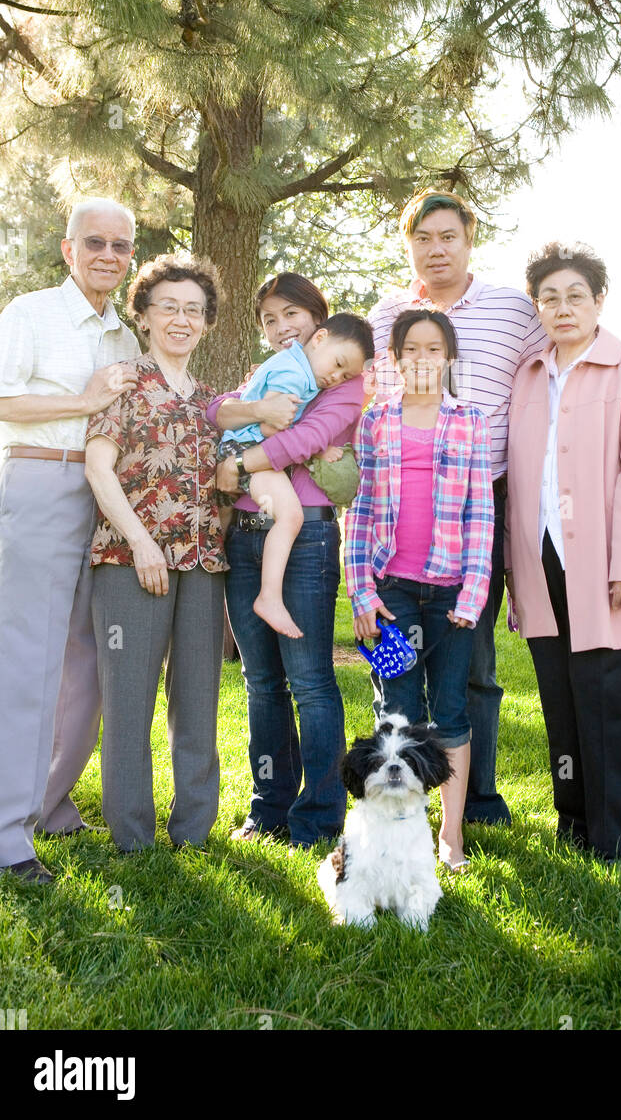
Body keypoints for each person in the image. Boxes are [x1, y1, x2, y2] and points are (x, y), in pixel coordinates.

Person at [368, 187, 547, 826]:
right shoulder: (388, 314)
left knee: (471, 663)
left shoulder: (510, 308)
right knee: (399, 675)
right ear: (408, 244)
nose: (435, 249)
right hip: (400, 514)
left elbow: (557, 358)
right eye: (422, 238)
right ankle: (404, 797)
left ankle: (477, 800)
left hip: (480, 502)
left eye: (447, 235)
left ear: (469, 237)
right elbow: (358, 396)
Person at [506, 243, 621, 859]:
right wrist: (514, 571)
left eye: (575, 295)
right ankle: (571, 824)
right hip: (539, 559)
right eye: (549, 298)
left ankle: (610, 841)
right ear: (537, 307)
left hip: (607, 563)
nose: (563, 308)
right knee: (560, 705)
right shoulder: (526, 375)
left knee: (604, 704)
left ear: (599, 301)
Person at [0, 199, 139, 885]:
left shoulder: (127, 338)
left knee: (90, 661)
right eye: (95, 242)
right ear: (67, 249)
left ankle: (48, 803)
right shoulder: (31, 314)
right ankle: (0, 838)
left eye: (122, 245)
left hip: (107, 500)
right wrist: (83, 401)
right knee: (27, 663)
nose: (109, 254)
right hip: (44, 486)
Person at [210, 274, 364, 849]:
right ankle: (269, 808)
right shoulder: (273, 372)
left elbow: (305, 440)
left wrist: (239, 464)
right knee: (261, 683)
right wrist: (250, 409)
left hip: (306, 544)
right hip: (247, 538)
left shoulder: (343, 380)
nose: (281, 327)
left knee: (311, 681)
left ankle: (319, 816)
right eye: (270, 319)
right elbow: (213, 410)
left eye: (291, 315)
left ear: (318, 322)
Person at [84, 253, 228, 853]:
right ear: (143, 315)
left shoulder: (214, 401)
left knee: (197, 703)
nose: (181, 319)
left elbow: (224, 483)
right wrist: (141, 541)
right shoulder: (125, 380)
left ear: (206, 323)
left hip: (203, 569)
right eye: (167, 306)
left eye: (193, 310)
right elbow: (99, 465)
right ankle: (133, 839)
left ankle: (193, 832)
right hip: (129, 562)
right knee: (129, 702)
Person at [345, 309, 494, 871]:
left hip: (453, 591)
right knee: (398, 710)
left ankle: (450, 835)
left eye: (435, 349)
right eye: (412, 349)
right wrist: (362, 591)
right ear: (396, 358)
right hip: (392, 591)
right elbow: (358, 513)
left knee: (452, 710)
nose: (423, 359)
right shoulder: (376, 421)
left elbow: (481, 512)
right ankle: (395, 830)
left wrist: (474, 592)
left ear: (450, 357)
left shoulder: (470, 421)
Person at [217, 312, 374, 638]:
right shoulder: (293, 373)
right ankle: (269, 597)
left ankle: (262, 593)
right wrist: (316, 449)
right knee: (290, 515)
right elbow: (271, 425)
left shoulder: (293, 366)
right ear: (319, 338)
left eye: (345, 375)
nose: (336, 376)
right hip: (243, 448)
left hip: (242, 447)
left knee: (284, 515)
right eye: (337, 363)